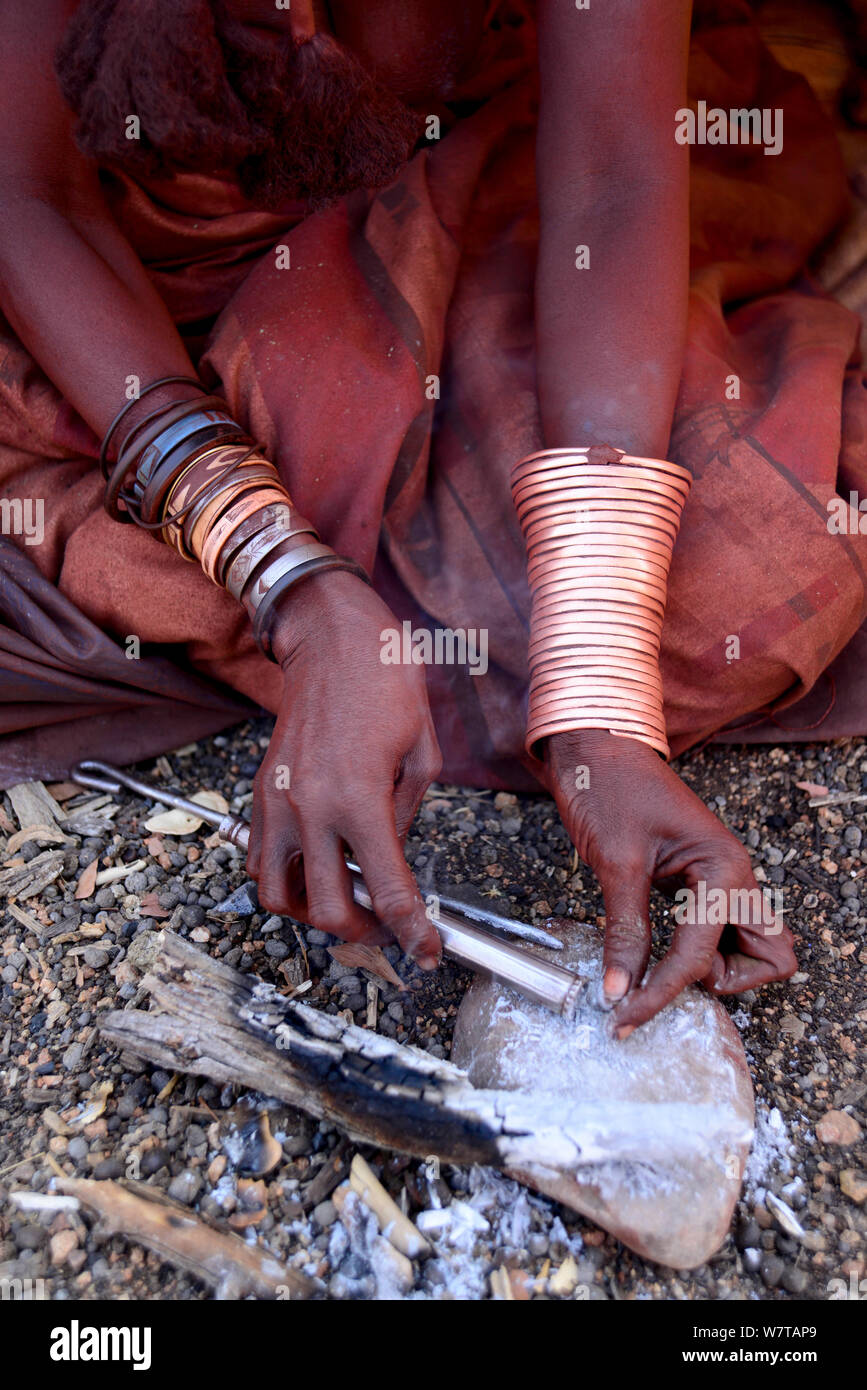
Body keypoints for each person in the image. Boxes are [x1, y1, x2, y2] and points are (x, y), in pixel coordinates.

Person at [6, 0, 865, 1036]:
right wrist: (292, 583)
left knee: (729, 583)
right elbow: (28, 192)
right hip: (109, 285)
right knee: (309, 445)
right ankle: (319, 620)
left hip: (439, 190)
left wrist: (600, 700)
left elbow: (610, 181)